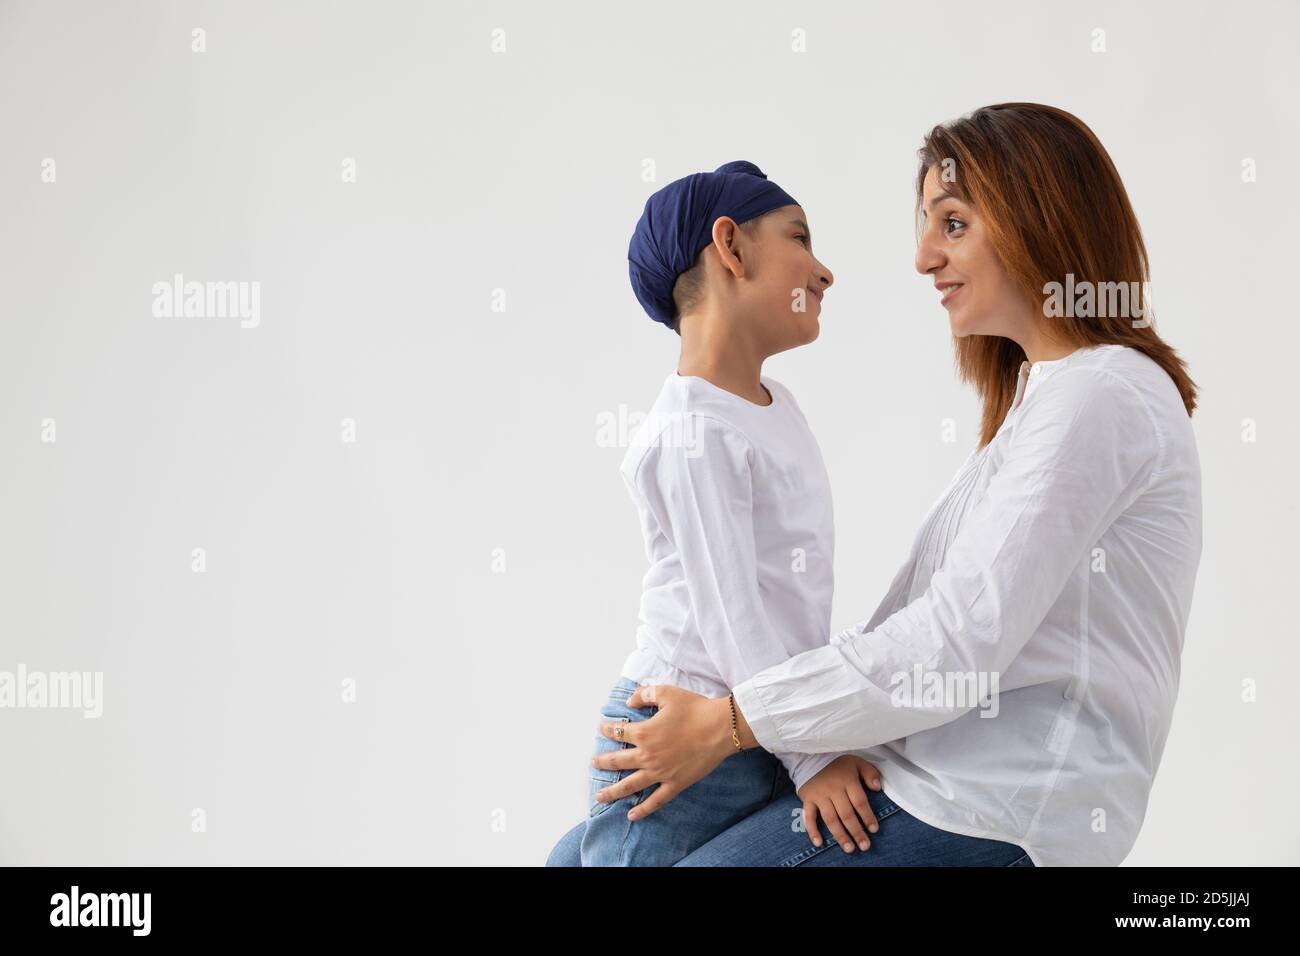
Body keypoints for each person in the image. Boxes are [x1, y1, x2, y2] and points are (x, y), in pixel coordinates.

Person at [550, 103, 1202, 867]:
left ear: (1038, 215)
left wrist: (733, 724)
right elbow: (913, 626)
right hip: (917, 771)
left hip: (988, 802)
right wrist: (792, 739)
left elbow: (956, 644)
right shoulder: (1042, 403)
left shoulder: (1100, 395)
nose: (924, 256)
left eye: (952, 223)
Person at [567, 160, 885, 867]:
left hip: (747, 730)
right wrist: (812, 760)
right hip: (682, 734)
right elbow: (732, 614)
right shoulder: (693, 430)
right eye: (800, 237)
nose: (824, 271)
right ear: (731, 247)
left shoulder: (775, 407)